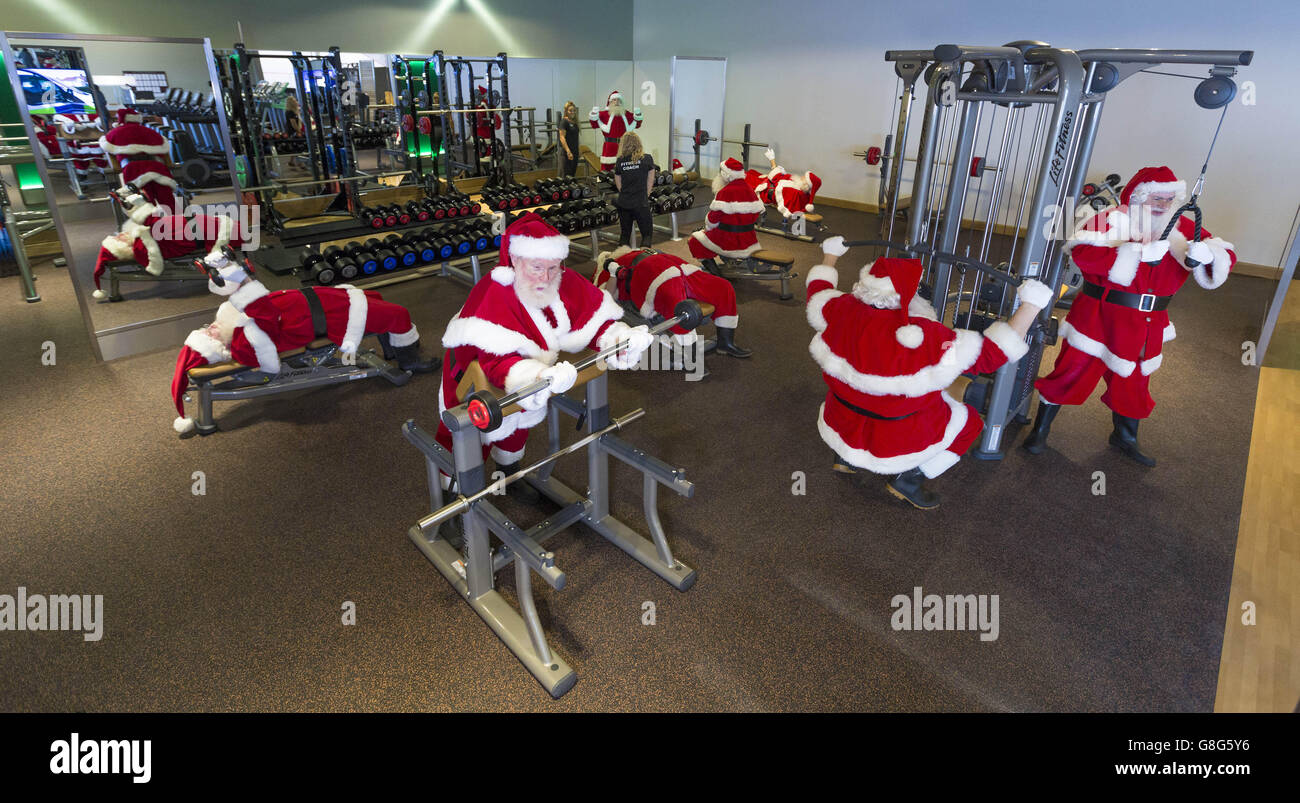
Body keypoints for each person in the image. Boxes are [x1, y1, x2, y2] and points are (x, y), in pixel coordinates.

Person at [807, 236, 1053, 509]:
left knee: (862, 402)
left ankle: (845, 457)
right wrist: (1031, 305)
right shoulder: (929, 338)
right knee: (969, 422)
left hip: (841, 418)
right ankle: (909, 480)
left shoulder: (839, 309)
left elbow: (817, 290)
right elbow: (993, 355)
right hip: (896, 437)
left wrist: (831, 254)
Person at [1021, 166, 1238, 466]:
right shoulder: (1110, 220)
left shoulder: (1183, 227)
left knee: (1134, 382)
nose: (1163, 205)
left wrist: (1210, 256)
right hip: (1099, 317)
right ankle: (1040, 430)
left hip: (1146, 323)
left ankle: (1125, 437)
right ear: (1138, 196)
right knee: (1072, 371)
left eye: (1169, 198)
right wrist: (1135, 253)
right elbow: (1082, 253)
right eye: (1156, 198)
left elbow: (1224, 254)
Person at [435, 212, 655, 502]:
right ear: (515, 260)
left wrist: (621, 338)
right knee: (466, 441)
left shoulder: (561, 279)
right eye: (537, 267)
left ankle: (508, 474)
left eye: (553, 267)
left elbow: (595, 318)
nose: (546, 277)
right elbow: (497, 364)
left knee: (517, 428)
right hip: (471, 379)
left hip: (528, 374)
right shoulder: (493, 293)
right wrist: (537, 376)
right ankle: (452, 501)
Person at [168, 251, 439, 433]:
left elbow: (260, 303)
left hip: (322, 300)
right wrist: (241, 281)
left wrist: (234, 273)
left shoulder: (236, 314)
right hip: (331, 316)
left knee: (375, 297)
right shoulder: (245, 341)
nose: (212, 328)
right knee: (397, 314)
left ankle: (391, 348)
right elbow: (267, 319)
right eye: (211, 334)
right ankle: (409, 361)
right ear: (217, 349)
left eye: (209, 328)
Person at [595, 245, 752, 358]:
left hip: (666, 262)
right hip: (655, 268)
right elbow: (608, 296)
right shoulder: (607, 271)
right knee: (675, 295)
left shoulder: (633, 253)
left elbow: (607, 297)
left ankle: (725, 343)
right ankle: (692, 353)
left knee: (722, 287)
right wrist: (613, 272)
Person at [688, 157, 764, 267]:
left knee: (695, 240)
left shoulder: (725, 192)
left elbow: (712, 220)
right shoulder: (750, 189)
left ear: (725, 174)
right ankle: (730, 261)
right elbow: (756, 215)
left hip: (728, 240)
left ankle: (715, 272)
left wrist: (707, 229)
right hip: (749, 239)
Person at [744, 147, 822, 218]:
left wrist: (772, 160)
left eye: (804, 177)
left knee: (744, 177)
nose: (801, 177)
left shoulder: (794, 191)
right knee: (751, 172)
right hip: (768, 185)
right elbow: (782, 177)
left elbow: (776, 177)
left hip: (764, 192)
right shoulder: (798, 186)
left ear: (806, 184)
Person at [612, 132, 655, 248]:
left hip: (624, 202)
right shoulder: (647, 158)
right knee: (647, 235)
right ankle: (643, 261)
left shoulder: (620, 161)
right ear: (638, 143)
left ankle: (622, 261)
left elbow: (618, 183)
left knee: (625, 235)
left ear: (623, 144)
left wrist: (627, 193)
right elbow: (650, 179)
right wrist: (645, 194)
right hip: (640, 202)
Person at [588, 90, 643, 172]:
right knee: (607, 169)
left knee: (624, 168)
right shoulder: (604, 114)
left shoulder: (627, 114)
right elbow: (594, 125)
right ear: (610, 102)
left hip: (624, 146)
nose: (617, 102)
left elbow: (637, 124)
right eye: (614, 100)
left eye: (619, 100)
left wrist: (638, 115)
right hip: (609, 147)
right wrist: (593, 114)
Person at [558, 101, 581, 177]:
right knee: (565, 174)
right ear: (566, 111)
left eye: (574, 110)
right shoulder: (564, 122)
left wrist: (579, 149)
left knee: (572, 173)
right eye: (570, 110)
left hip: (575, 151)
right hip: (566, 152)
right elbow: (562, 137)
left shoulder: (575, 122)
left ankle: (571, 188)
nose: (572, 112)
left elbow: (576, 137)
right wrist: (568, 151)